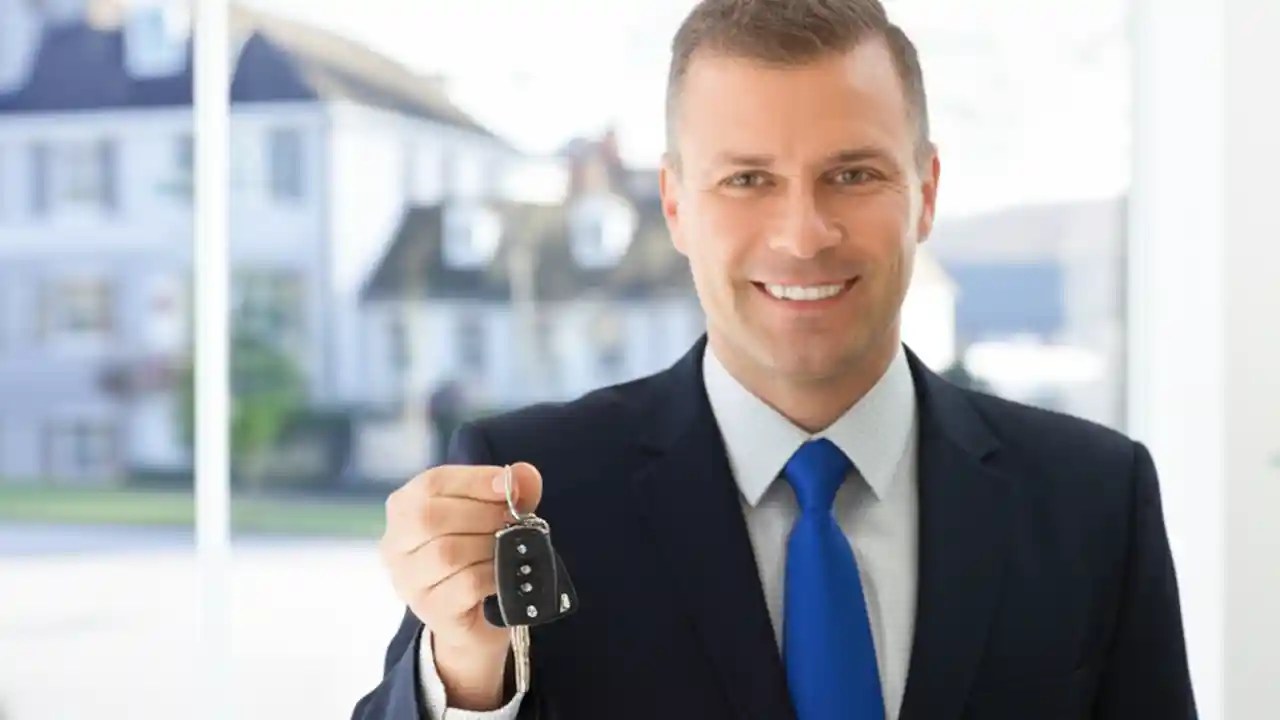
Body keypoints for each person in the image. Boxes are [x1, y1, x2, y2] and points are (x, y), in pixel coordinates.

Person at [353, 1, 1197, 718]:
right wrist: (465, 668)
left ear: (927, 193)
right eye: (749, 180)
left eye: (853, 173)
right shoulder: (533, 490)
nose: (803, 236)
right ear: (676, 206)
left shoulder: (1094, 500)